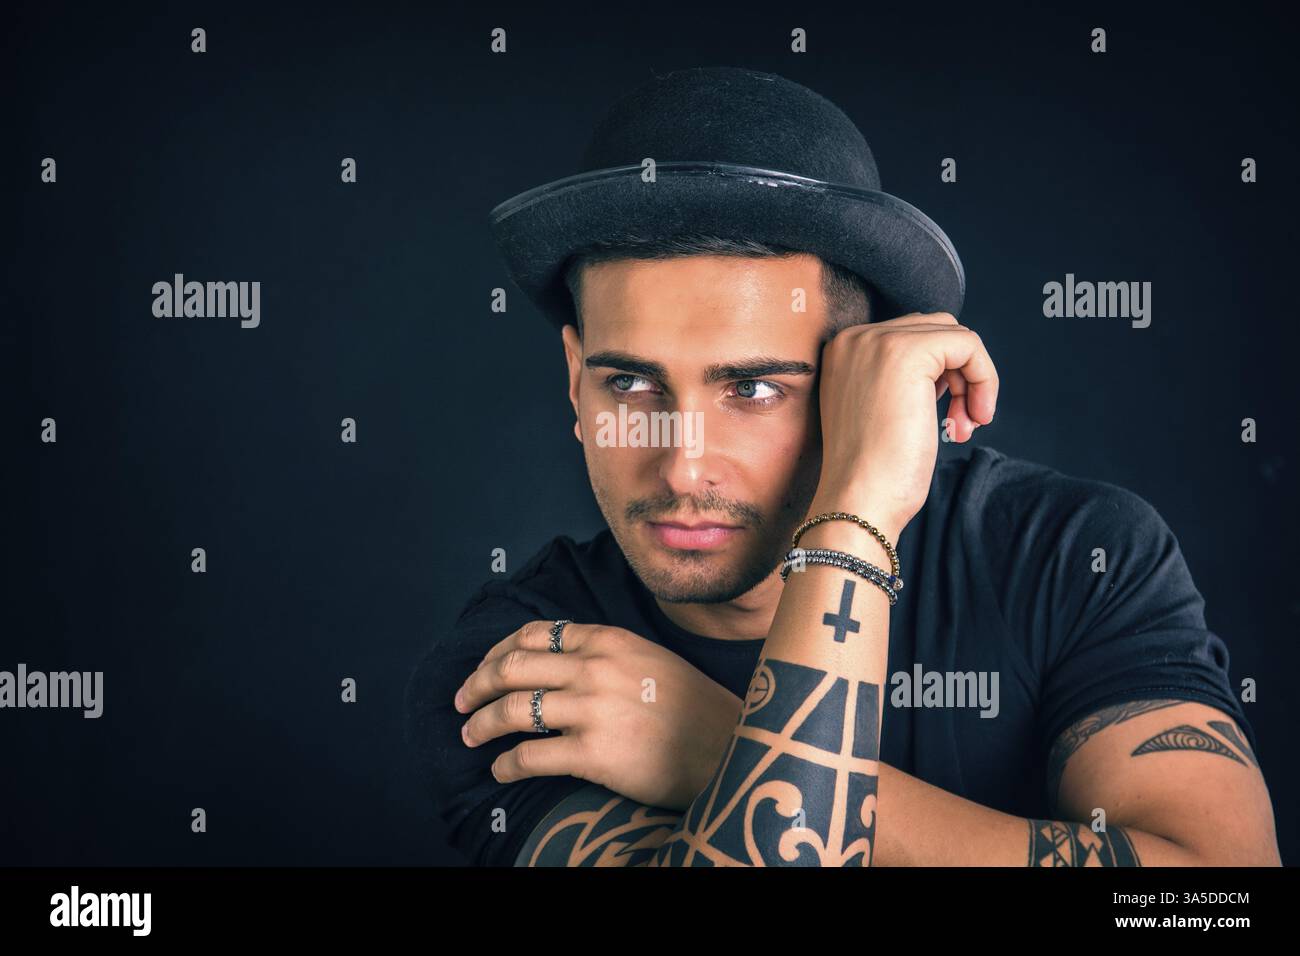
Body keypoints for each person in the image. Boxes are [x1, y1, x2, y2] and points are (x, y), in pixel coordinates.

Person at [404, 66, 1279, 866]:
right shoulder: (524, 664)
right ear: (573, 377)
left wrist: (714, 744)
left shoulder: (1072, 554)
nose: (681, 465)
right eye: (629, 382)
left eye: (751, 387)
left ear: (857, 380)